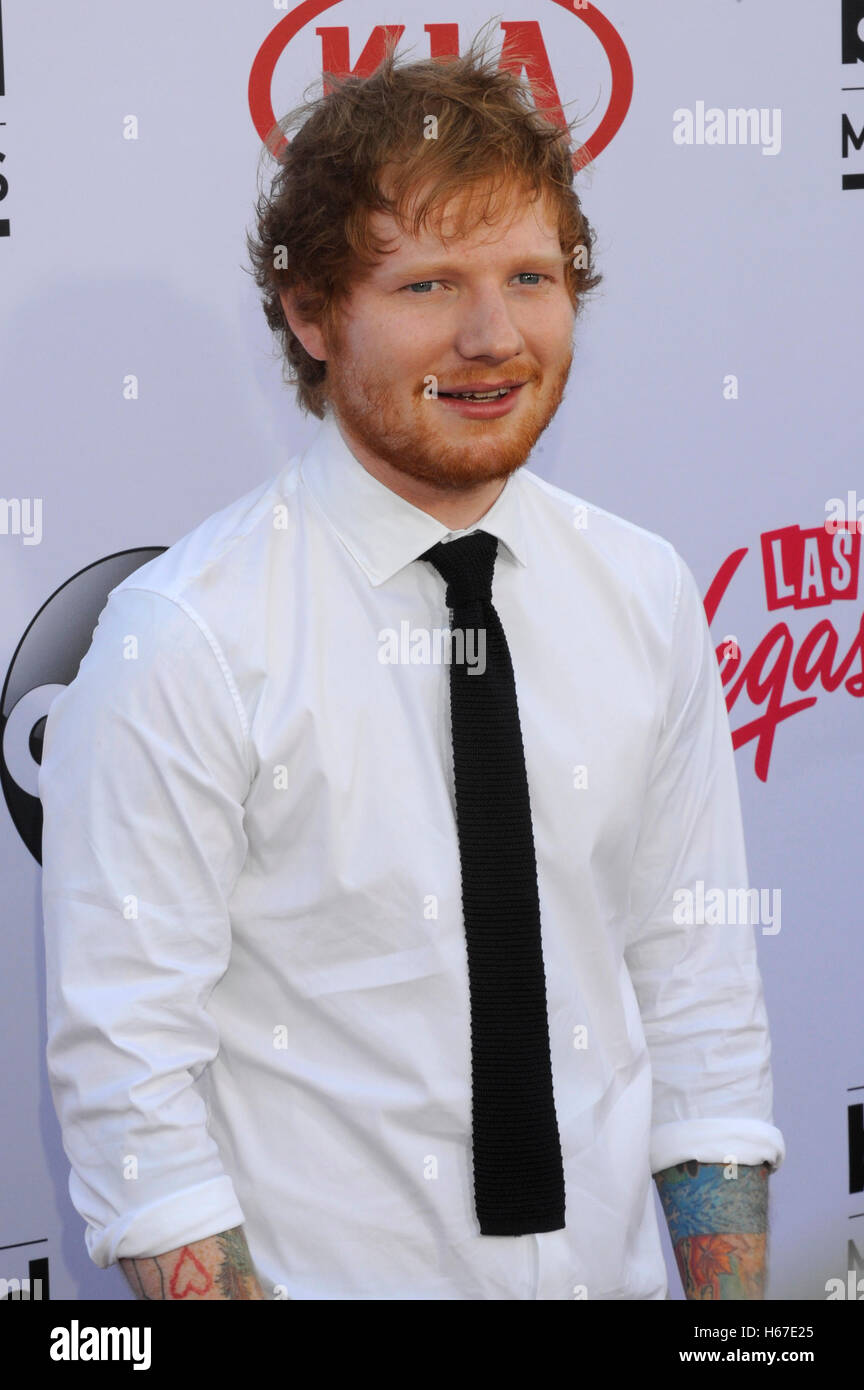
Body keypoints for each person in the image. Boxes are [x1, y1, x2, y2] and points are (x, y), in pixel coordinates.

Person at [39, 31, 784, 1302]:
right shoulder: (191, 636)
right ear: (311, 312)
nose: (494, 335)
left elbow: (696, 993)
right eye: (430, 285)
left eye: (532, 276)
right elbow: (131, 1092)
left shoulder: (645, 591)